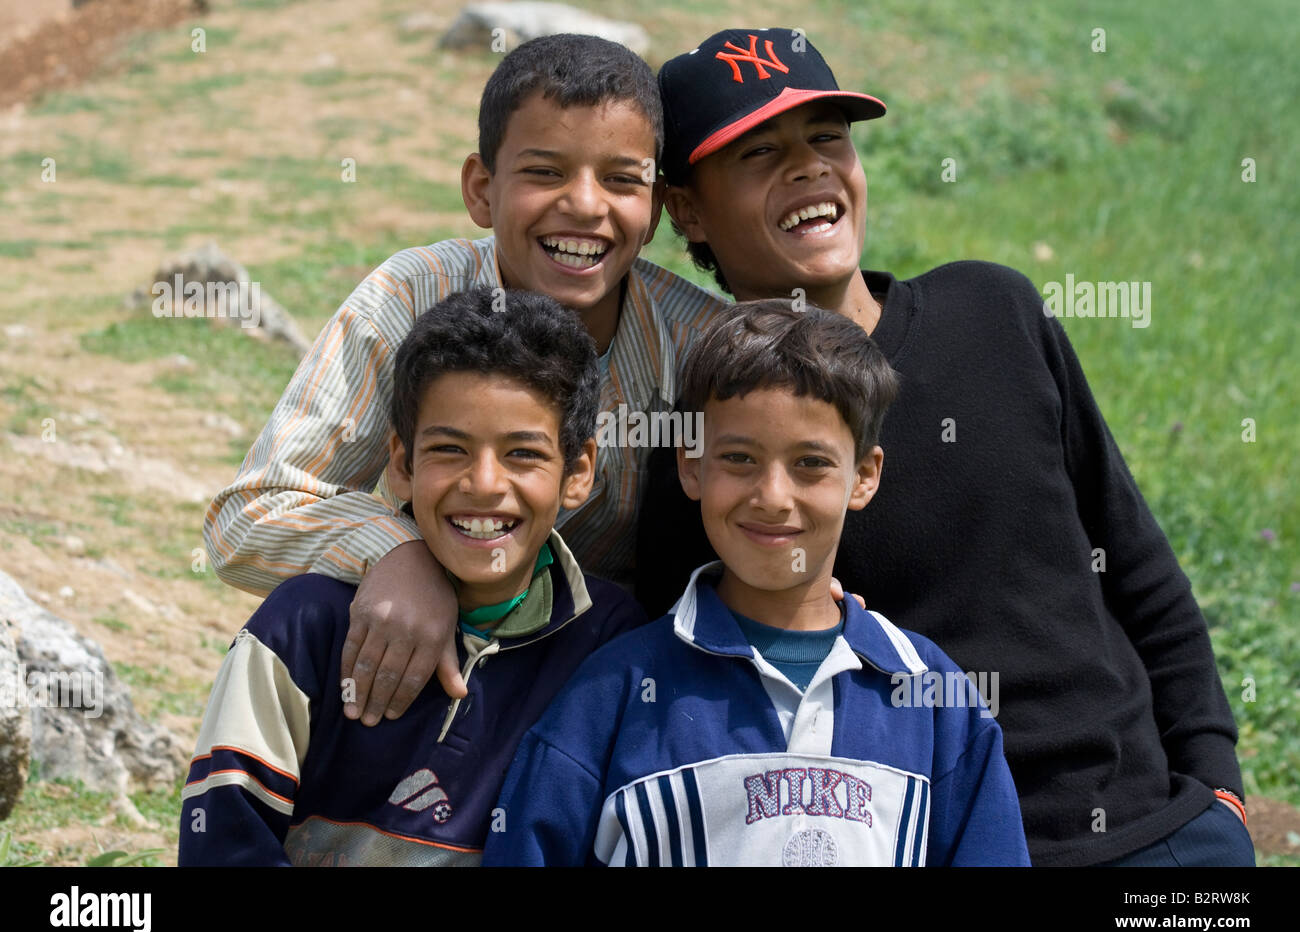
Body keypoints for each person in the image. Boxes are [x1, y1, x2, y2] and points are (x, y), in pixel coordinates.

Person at [635, 27, 1254, 866]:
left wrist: (1217, 786)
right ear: (687, 209)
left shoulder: (994, 312)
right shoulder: (714, 436)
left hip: (1157, 833)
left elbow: (1137, 567)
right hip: (932, 842)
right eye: (759, 153)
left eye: (828, 137)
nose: (810, 166)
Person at [202, 34, 725, 728]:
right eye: (544, 172)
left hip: (591, 695)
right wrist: (395, 551)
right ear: (482, 189)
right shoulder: (408, 298)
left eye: (621, 180)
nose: (585, 205)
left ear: (656, 206)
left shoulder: (700, 346)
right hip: (405, 673)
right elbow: (247, 517)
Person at [484, 301, 1028, 867]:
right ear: (691, 465)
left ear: (864, 476)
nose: (772, 496)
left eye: (811, 463)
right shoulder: (612, 694)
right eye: (739, 458)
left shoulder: (931, 694)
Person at [179, 288, 646, 865]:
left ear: (578, 472)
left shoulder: (612, 646)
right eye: (449, 449)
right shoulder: (301, 628)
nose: (483, 484)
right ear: (401, 462)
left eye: (523, 454)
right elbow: (225, 843)